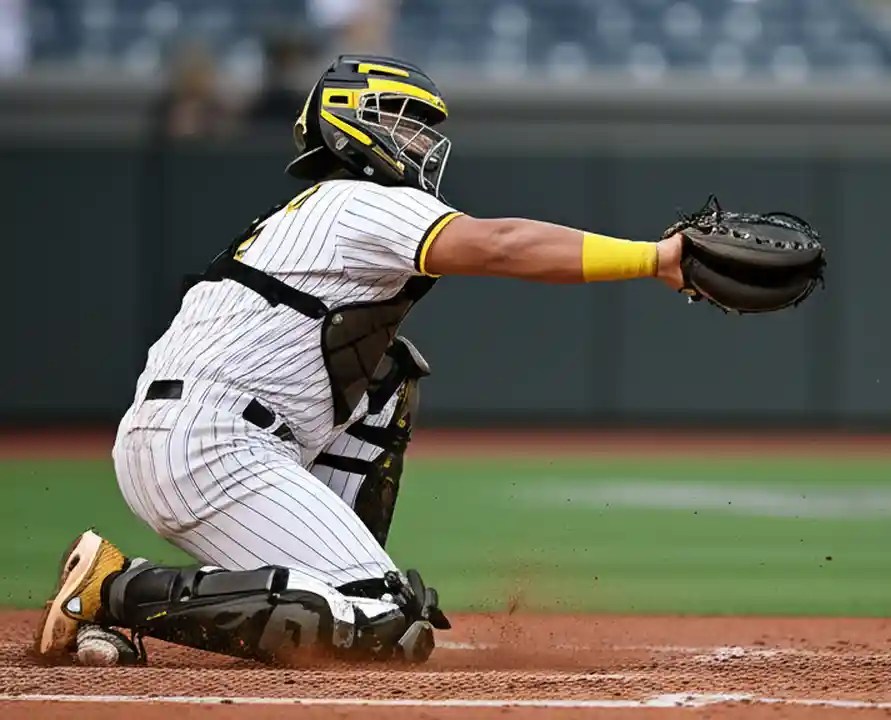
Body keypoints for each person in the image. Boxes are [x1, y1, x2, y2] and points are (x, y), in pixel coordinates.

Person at [35, 55, 684, 665]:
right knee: (384, 624)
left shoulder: (331, 206)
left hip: (214, 434)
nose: (423, 141)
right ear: (351, 121)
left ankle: (336, 581)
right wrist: (652, 259)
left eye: (427, 128)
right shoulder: (360, 199)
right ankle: (114, 588)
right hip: (211, 441)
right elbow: (503, 245)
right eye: (405, 120)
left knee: (386, 375)